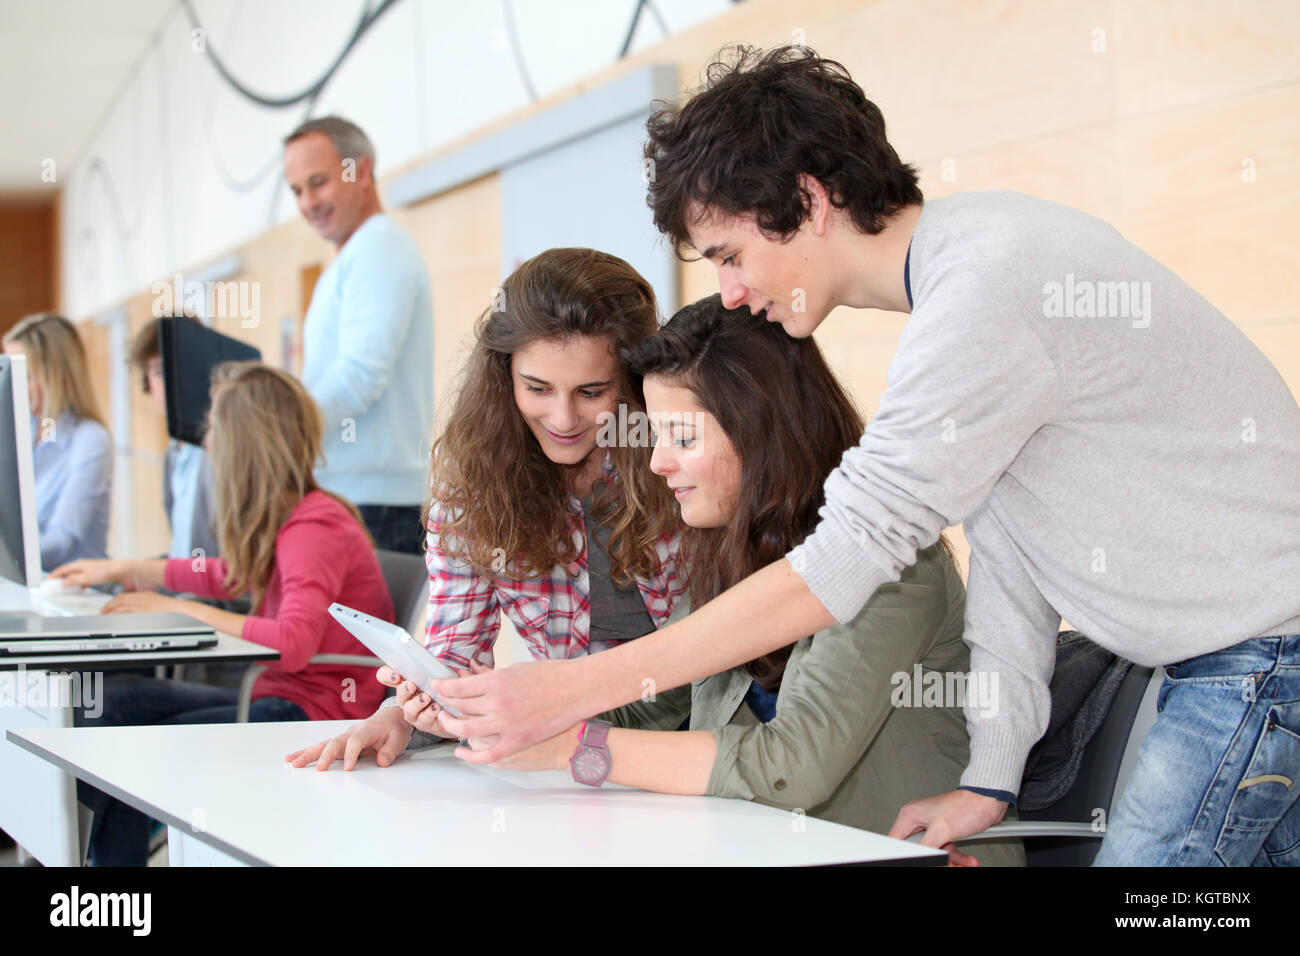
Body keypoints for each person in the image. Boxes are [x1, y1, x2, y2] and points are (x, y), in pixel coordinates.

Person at [428, 45, 1300, 868]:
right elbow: (1010, 567)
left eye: (732, 254)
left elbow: (840, 564)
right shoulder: (973, 279)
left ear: (808, 201)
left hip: (1258, 657)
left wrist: (571, 695)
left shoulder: (981, 294)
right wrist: (989, 781)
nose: (731, 292)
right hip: (1243, 659)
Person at [482, 296, 1025, 864]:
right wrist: (485, 715)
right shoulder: (728, 546)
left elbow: (794, 765)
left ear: (763, 433)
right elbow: (652, 703)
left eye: (683, 438)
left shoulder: (890, 564)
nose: (658, 462)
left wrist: (579, 748)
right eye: (656, 436)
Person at [286, 248, 686, 770]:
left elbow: (724, 636)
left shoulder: (677, 453)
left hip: (696, 732)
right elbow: (456, 648)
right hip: (568, 748)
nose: (563, 418)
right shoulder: (472, 487)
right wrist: (403, 716)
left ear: (632, 381)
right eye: (537, 388)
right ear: (505, 376)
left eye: (591, 392)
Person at [53, 361, 393, 866]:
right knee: (110, 704)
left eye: (214, 426)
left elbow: (293, 643)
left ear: (242, 444)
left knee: (124, 748)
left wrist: (170, 607)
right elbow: (225, 574)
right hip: (276, 694)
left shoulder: (313, 525)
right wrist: (127, 568)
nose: (207, 437)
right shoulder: (293, 515)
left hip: (308, 712)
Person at [284, 115, 435, 554]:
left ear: (362, 171)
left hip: (376, 506)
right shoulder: (355, 255)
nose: (308, 202)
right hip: (362, 499)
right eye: (296, 191)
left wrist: (277, 428)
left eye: (318, 182)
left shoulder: (378, 245)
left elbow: (359, 375)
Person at [2, 312, 112, 571]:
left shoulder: (90, 440)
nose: (12, 385)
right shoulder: (24, 432)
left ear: (55, 374)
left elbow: (62, 541)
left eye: (25, 375)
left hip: (77, 593)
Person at [126, 314, 221, 562]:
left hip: (216, 596)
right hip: (186, 586)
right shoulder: (174, 450)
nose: (171, 381)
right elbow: (184, 550)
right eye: (159, 372)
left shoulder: (219, 446)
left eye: (179, 366)